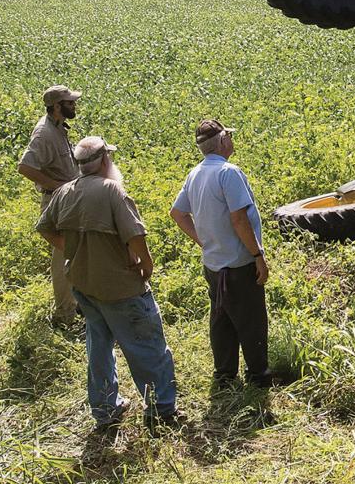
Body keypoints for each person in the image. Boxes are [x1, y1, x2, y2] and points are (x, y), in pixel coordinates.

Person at [35, 136, 180, 431]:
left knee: (98, 347)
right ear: (103, 161)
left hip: (84, 285)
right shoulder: (112, 190)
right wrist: (146, 265)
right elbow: (135, 235)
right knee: (147, 345)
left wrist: (72, 251)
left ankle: (104, 410)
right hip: (120, 287)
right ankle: (161, 409)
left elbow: (44, 227)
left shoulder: (64, 192)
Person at [170, 119, 272, 388]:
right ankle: (258, 377)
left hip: (214, 265)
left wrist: (203, 241)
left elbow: (178, 213)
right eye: (230, 136)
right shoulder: (229, 172)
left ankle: (225, 375)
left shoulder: (195, 173)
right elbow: (239, 219)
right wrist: (257, 255)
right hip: (238, 264)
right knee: (252, 322)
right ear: (224, 141)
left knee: (222, 320)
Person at [18, 84, 81, 326]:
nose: (74, 105)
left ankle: (74, 306)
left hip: (67, 200)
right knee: (64, 255)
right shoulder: (44, 133)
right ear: (57, 106)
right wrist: (57, 186)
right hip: (56, 201)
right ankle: (65, 315)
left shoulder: (58, 127)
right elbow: (25, 167)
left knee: (72, 253)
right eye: (70, 102)